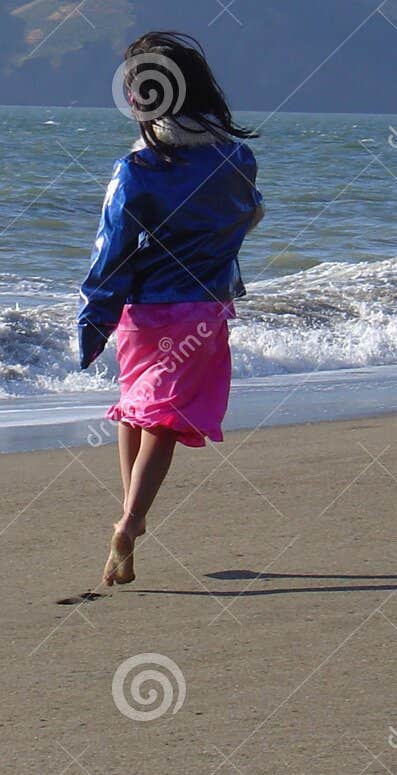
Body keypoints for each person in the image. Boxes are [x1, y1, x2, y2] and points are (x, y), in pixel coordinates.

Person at [78, 31, 263, 587]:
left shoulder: (138, 169)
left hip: (143, 310)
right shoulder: (237, 159)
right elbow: (246, 216)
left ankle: (128, 514)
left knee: (138, 408)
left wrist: (94, 320)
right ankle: (131, 523)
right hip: (201, 308)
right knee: (162, 416)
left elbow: (111, 250)